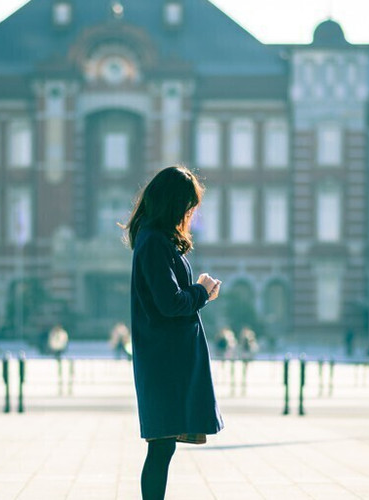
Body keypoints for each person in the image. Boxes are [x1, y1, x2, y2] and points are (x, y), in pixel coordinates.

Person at [126, 165, 224, 500]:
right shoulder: (154, 243)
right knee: (160, 448)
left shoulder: (155, 240)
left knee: (163, 447)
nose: (191, 214)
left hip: (165, 360)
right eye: (188, 206)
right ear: (173, 204)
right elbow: (169, 303)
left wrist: (197, 292)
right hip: (164, 363)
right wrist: (202, 291)